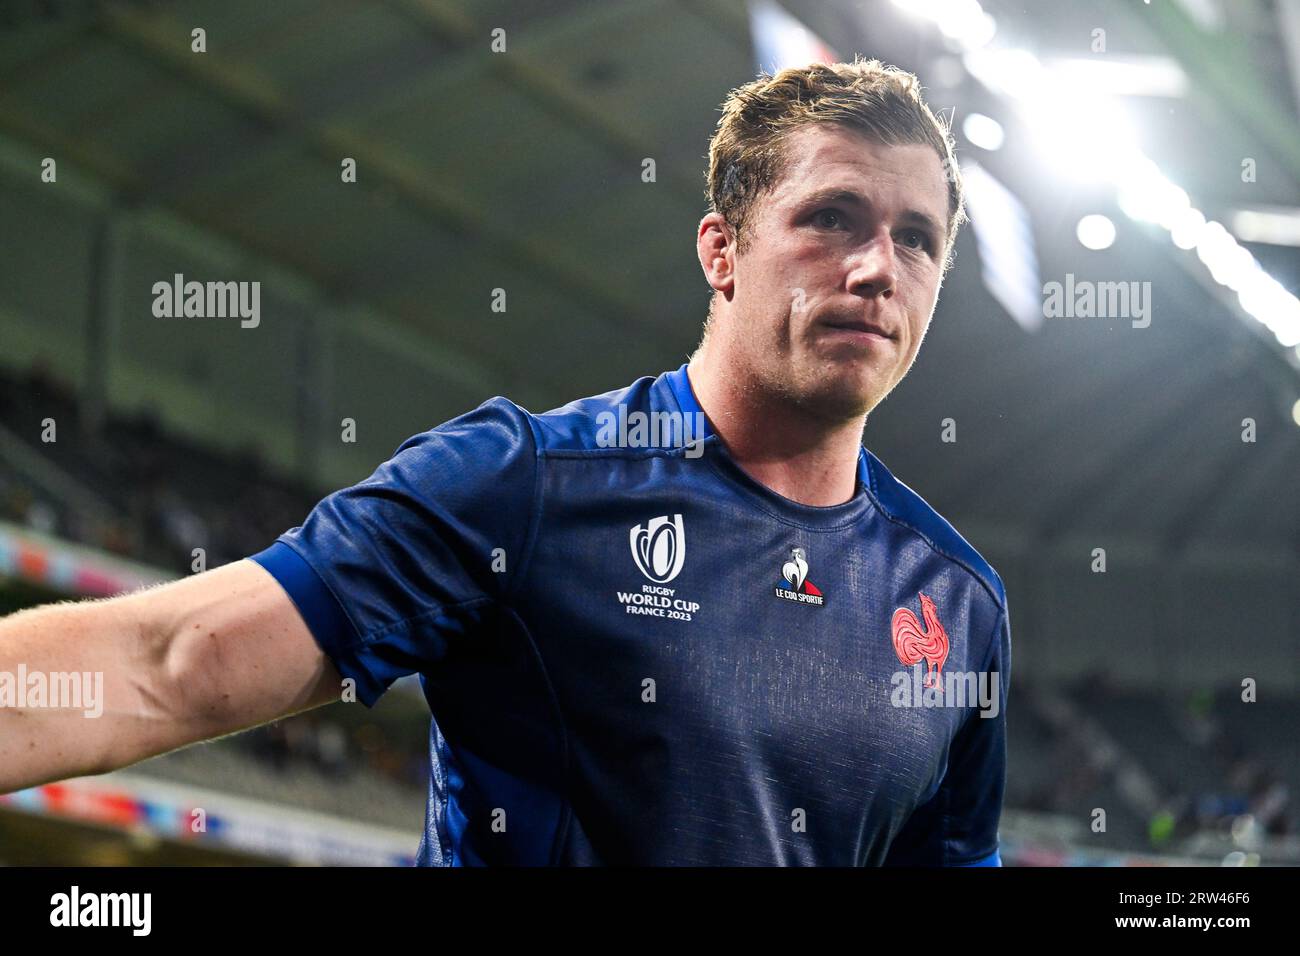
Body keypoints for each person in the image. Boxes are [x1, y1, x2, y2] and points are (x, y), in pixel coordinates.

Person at [0, 58, 1010, 866]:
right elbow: (174, 660)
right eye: (831, 216)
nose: (877, 267)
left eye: (916, 240)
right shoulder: (525, 483)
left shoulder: (957, 603)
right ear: (721, 249)